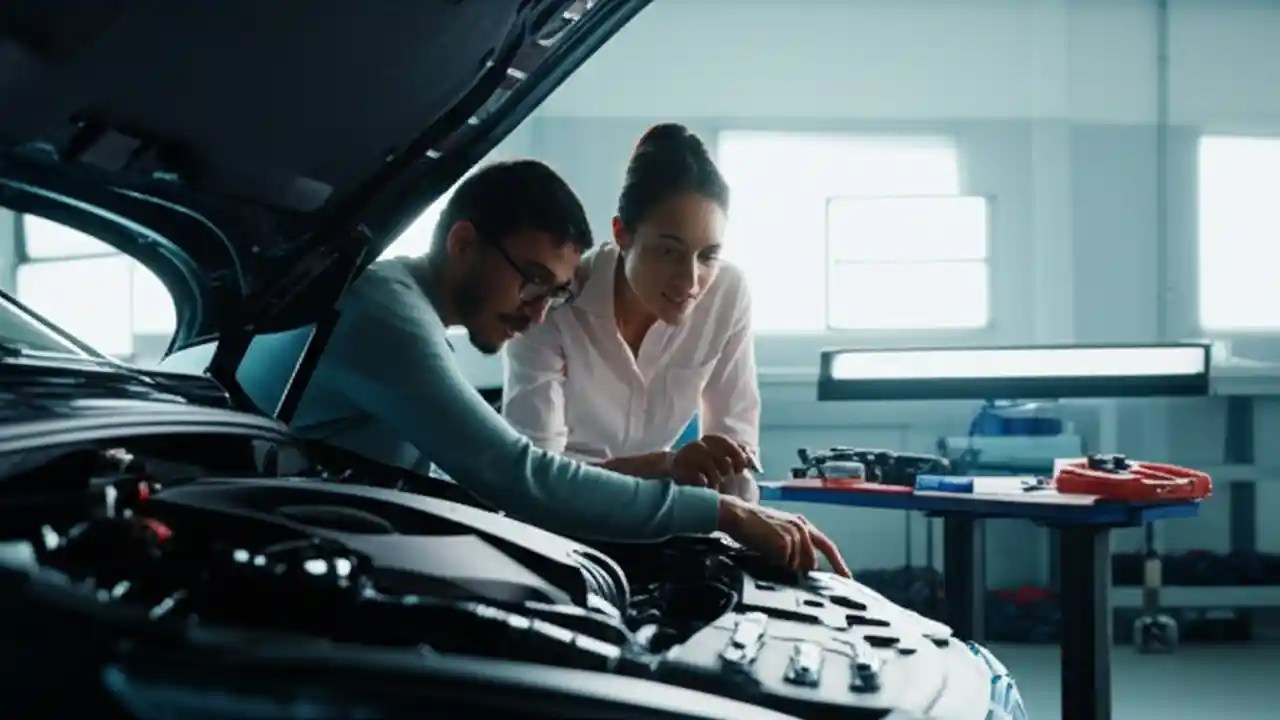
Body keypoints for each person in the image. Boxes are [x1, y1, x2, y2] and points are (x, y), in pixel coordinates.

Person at [276, 158, 848, 576]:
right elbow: (518, 475)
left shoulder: (402, 306)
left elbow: (470, 482)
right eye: (532, 280)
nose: (539, 312)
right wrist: (720, 513)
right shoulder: (385, 316)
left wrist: (654, 471)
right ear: (464, 242)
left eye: (555, 292)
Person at [502, 123, 761, 503]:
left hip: (656, 516)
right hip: (558, 520)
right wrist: (664, 467)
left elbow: (734, 452)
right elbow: (538, 481)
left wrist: (744, 522)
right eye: (669, 251)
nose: (690, 281)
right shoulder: (551, 306)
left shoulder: (728, 292)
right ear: (622, 233)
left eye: (708, 256)